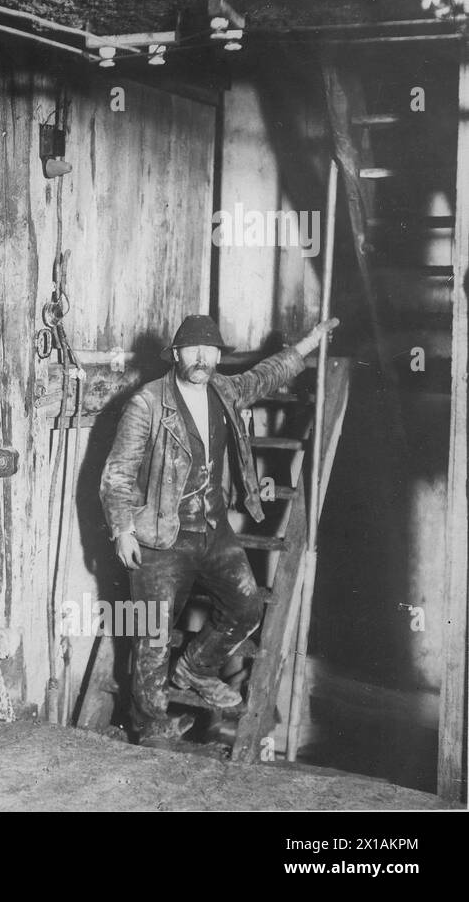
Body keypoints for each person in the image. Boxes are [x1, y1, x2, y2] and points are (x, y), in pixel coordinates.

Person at [99, 313, 338, 746]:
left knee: (246, 608)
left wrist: (308, 344)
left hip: (212, 528)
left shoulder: (223, 390)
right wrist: (122, 531)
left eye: (210, 351)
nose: (202, 358)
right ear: (175, 355)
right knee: (152, 635)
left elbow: (266, 375)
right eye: (193, 350)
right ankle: (150, 724)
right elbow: (117, 473)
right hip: (159, 534)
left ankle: (196, 667)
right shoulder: (147, 403)